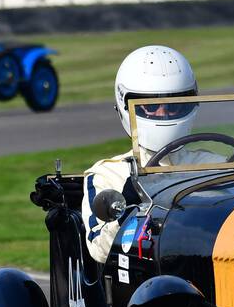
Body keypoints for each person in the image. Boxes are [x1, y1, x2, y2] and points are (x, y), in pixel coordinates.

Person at [82, 45, 224, 264]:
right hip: (143, 282)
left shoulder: (216, 165)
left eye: (173, 105)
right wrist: (125, 211)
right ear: (125, 105)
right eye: (150, 105)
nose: (163, 113)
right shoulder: (108, 174)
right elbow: (98, 249)